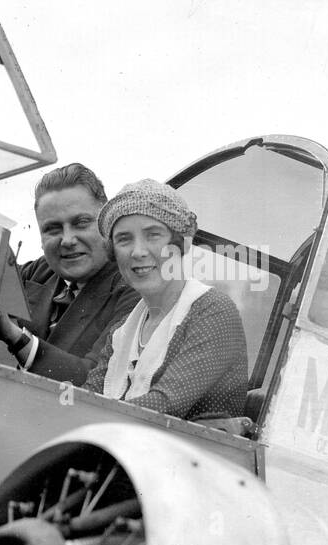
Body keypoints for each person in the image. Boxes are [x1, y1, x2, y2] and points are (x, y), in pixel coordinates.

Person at [85, 179, 248, 421]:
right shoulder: (122, 331)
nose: (138, 251)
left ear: (180, 244)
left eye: (153, 235)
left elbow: (165, 405)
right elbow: (87, 397)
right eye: (124, 239)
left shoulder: (214, 311)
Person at [0, 163, 139, 384]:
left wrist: (15, 337)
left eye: (81, 223)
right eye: (53, 229)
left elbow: (94, 379)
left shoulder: (136, 290)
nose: (67, 240)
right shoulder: (38, 271)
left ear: (107, 224)